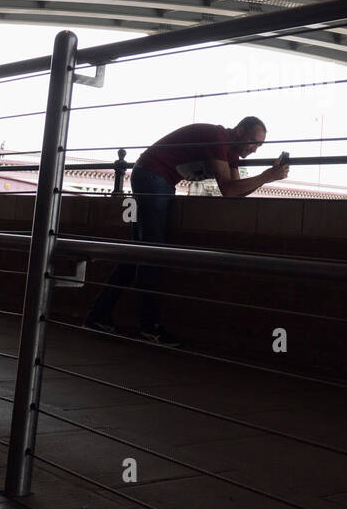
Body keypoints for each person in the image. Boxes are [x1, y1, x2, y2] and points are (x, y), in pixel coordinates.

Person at [84, 116, 289, 344]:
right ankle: (148, 327)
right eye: (253, 141)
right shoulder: (218, 139)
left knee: (137, 254)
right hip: (154, 177)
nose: (254, 149)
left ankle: (98, 315)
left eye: (259, 145)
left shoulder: (230, 150)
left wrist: (267, 177)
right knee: (152, 254)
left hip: (153, 177)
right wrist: (267, 176)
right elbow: (230, 190)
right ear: (239, 131)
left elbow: (236, 191)